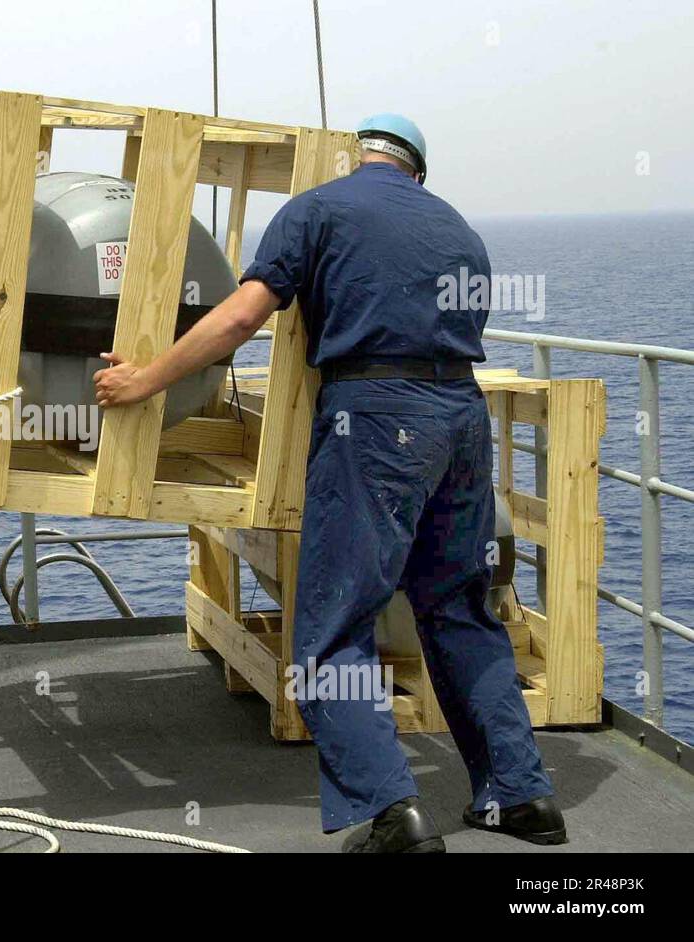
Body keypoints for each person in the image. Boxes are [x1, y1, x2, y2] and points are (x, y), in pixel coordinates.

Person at [93, 116, 566, 852]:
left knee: (333, 625)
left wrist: (145, 380)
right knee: (462, 611)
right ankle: (521, 795)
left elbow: (242, 317)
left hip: (376, 420)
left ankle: (392, 815)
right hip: (461, 423)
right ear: (417, 172)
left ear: (358, 160)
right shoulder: (458, 229)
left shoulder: (316, 209)